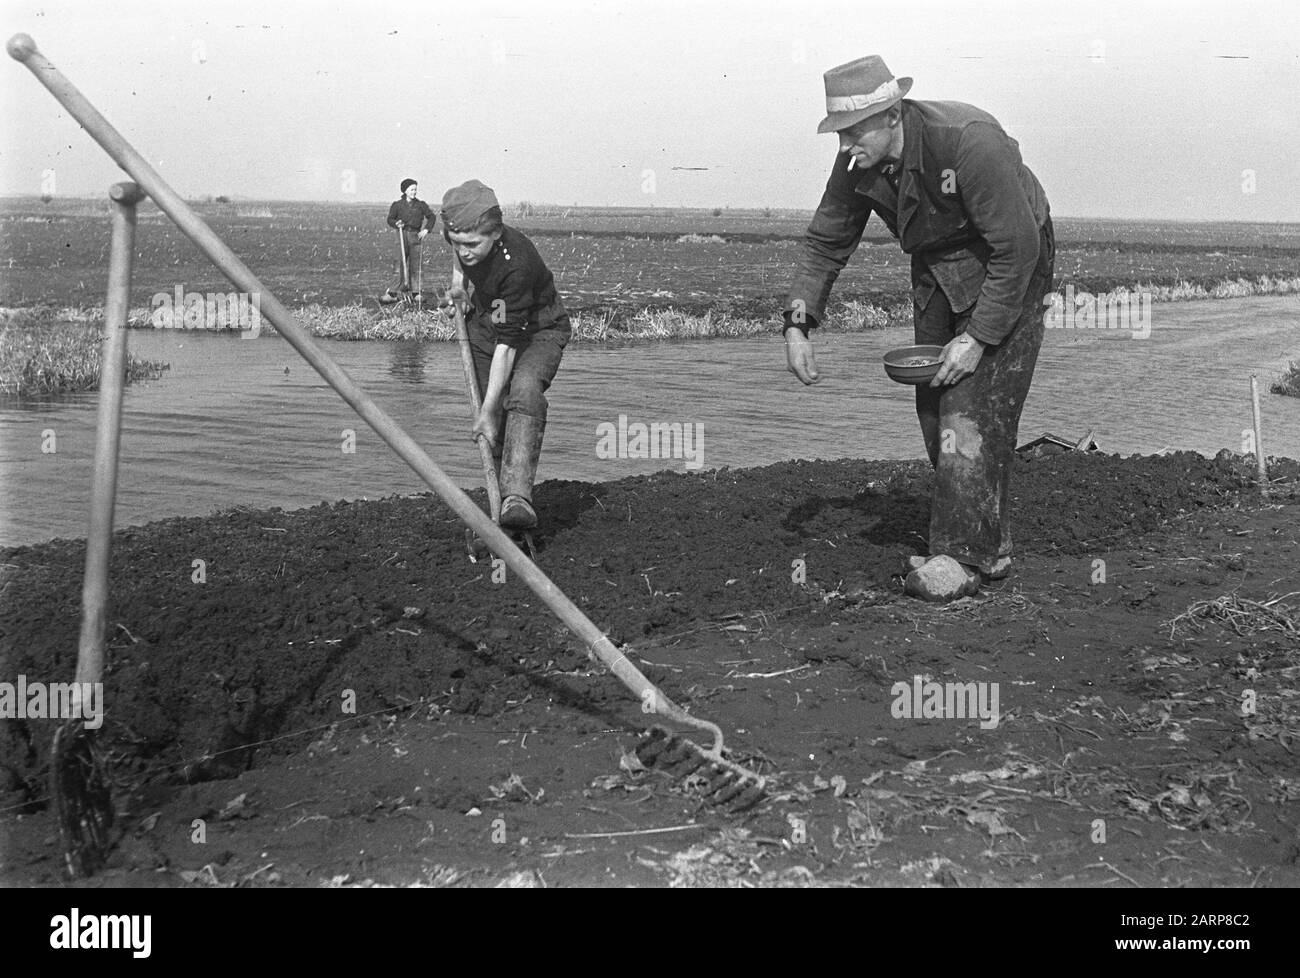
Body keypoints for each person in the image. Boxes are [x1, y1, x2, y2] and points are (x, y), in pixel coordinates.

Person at [781, 55, 1055, 602]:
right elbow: (826, 240)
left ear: (891, 116)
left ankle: (964, 558)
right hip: (936, 265)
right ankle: (982, 539)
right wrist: (797, 324)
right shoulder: (858, 163)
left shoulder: (968, 141)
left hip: (1011, 262)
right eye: (837, 133)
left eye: (853, 131)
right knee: (932, 399)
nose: (843, 146)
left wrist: (977, 338)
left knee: (973, 401)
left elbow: (1016, 246)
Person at [441, 179, 571, 530]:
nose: (463, 251)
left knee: (523, 390)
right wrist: (459, 286)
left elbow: (508, 347)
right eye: (457, 243)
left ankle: (517, 498)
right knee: (492, 408)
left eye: (472, 244)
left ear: (495, 233)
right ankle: (501, 512)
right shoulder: (460, 235)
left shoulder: (518, 264)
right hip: (488, 323)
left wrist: (485, 412)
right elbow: (457, 252)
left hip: (538, 329)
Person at [381, 178, 435, 304]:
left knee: (416, 265)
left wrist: (426, 230)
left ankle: (416, 292)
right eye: (412, 189)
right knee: (399, 263)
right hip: (401, 235)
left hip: (416, 236)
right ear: (405, 191)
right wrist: (396, 223)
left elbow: (432, 217)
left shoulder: (421, 205)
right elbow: (390, 219)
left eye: (415, 189)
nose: (414, 192)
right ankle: (393, 293)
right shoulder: (397, 205)